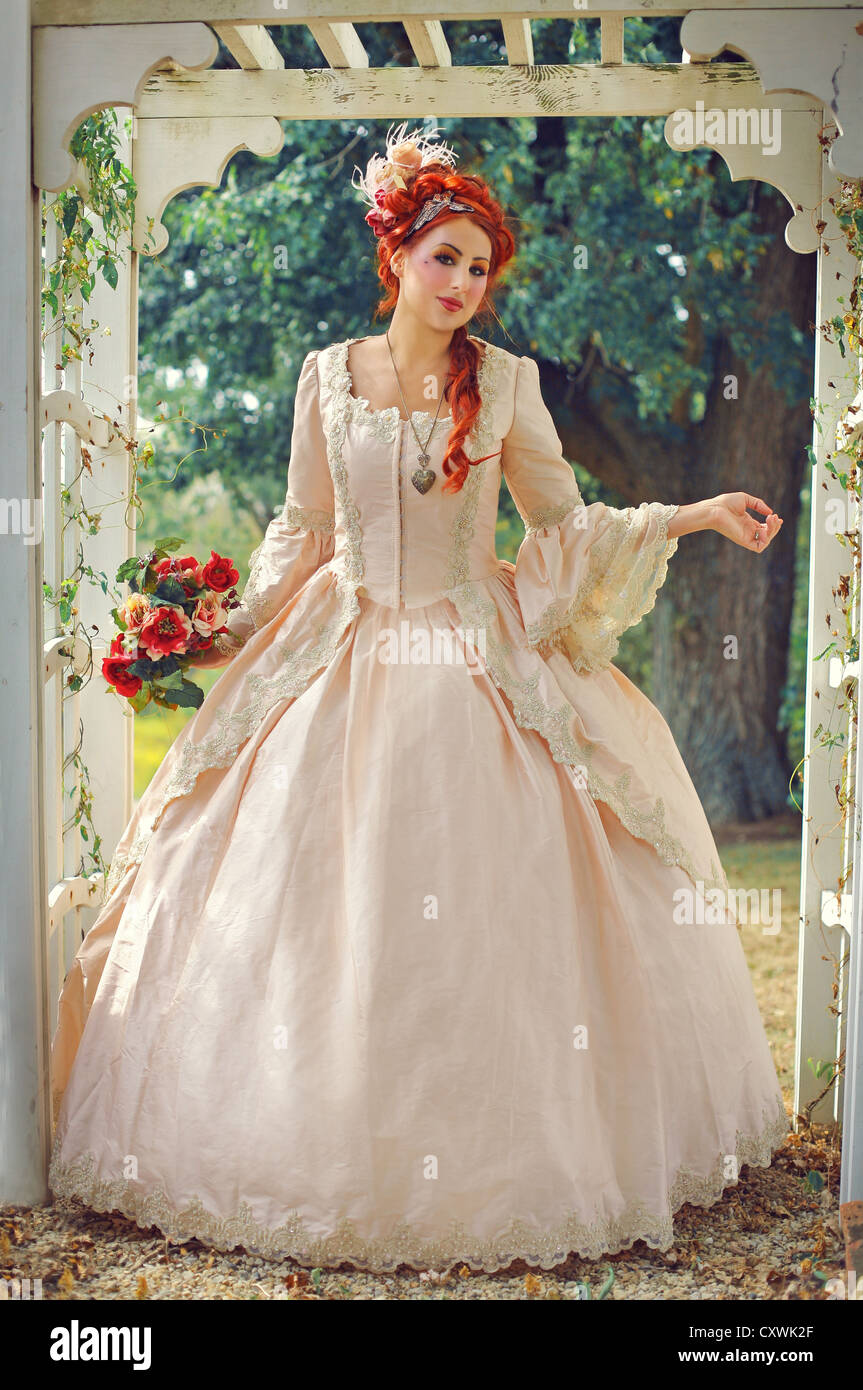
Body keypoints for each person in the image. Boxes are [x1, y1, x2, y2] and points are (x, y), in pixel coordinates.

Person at [48, 122, 788, 1275]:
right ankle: (301, 1151)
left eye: (478, 267)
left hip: (470, 656)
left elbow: (561, 525)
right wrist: (223, 626)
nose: (461, 283)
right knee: (284, 894)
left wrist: (689, 515)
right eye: (444, 257)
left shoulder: (505, 384)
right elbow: (301, 529)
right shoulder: (324, 375)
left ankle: (501, 1165)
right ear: (394, 255)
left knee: (482, 912)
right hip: (334, 649)